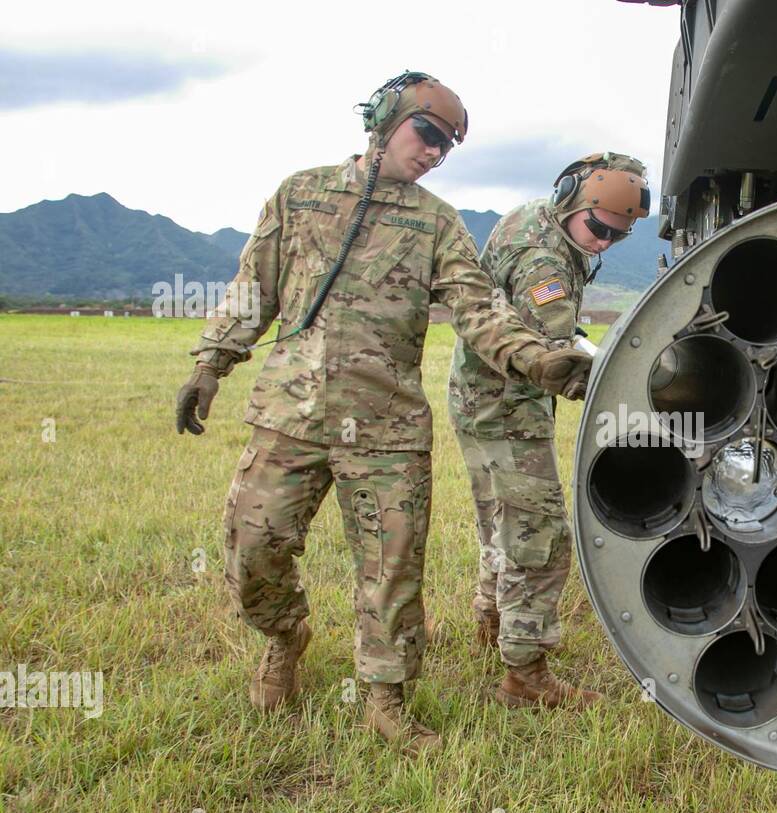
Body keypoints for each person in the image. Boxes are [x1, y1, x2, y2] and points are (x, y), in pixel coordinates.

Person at [174, 71, 590, 756]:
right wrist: (210, 362)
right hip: (290, 413)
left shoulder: (436, 222)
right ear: (385, 117)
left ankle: (385, 700)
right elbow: (254, 289)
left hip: (387, 428)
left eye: (447, 147)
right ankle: (285, 638)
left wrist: (535, 360)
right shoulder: (300, 194)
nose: (434, 153)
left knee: (392, 573)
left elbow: (477, 309)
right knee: (252, 549)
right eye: (427, 134)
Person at [447, 151, 650, 709]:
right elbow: (559, 356)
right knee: (542, 535)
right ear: (572, 199)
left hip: (478, 398)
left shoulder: (539, 217)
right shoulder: (544, 260)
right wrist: (638, 389)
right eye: (600, 228)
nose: (605, 242)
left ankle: (490, 623)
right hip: (506, 408)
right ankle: (525, 676)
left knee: (500, 520)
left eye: (618, 236)